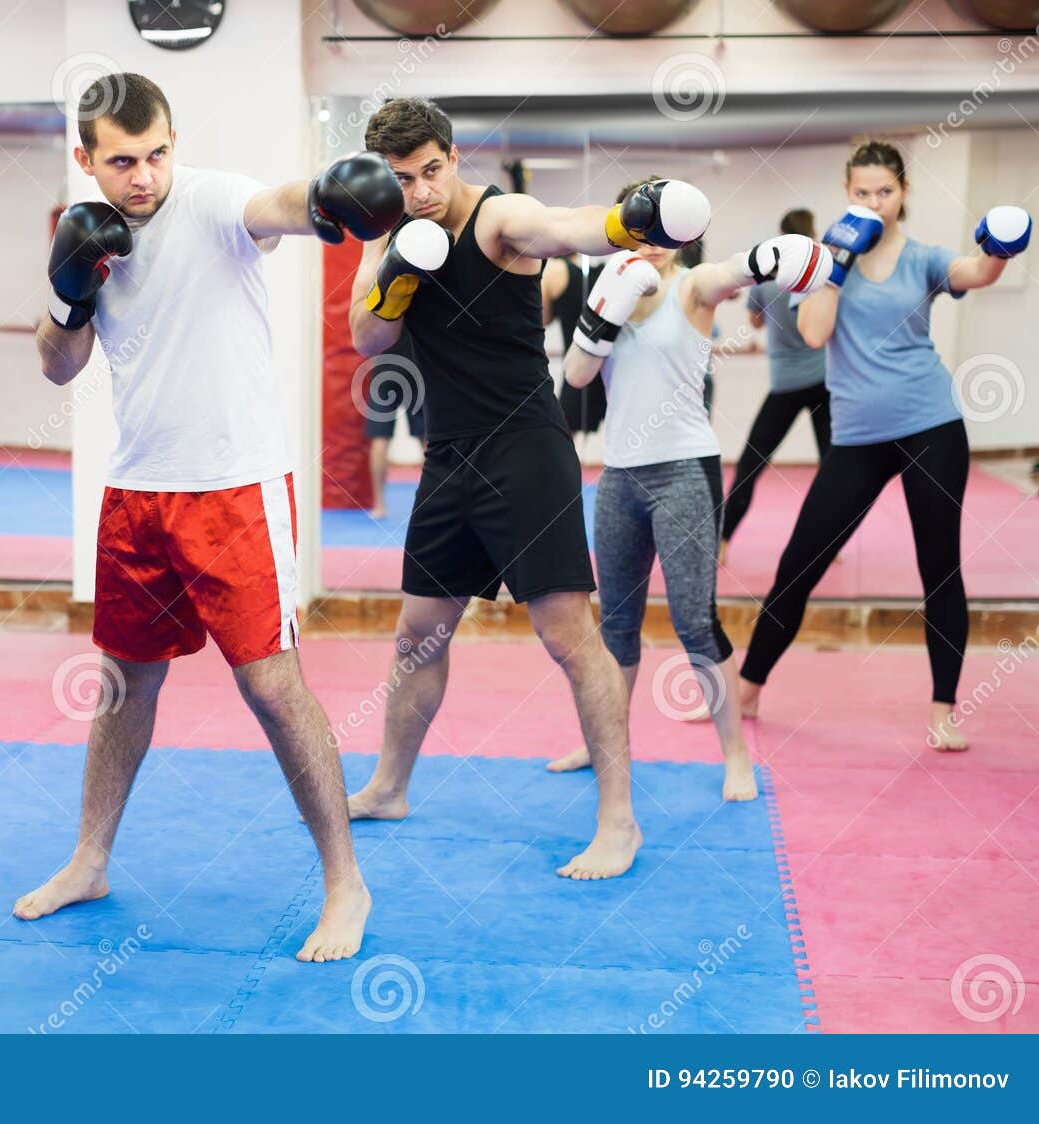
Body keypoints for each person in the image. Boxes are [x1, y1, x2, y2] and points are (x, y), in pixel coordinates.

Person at [14, 73, 402, 961]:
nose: (143, 175)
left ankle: (347, 882)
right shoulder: (92, 238)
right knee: (123, 683)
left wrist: (326, 198)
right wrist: (72, 290)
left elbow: (275, 207)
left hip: (233, 488)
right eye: (121, 161)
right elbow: (58, 367)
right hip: (138, 489)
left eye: (156, 154)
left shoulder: (211, 199)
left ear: (172, 144)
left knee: (272, 687)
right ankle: (90, 859)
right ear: (86, 160)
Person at [343, 98, 710, 879]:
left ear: (453, 155)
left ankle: (619, 821)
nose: (420, 193)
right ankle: (388, 785)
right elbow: (365, 336)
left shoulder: (496, 217)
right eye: (403, 180)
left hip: (525, 450)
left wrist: (626, 223)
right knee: (417, 634)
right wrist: (397, 276)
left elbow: (562, 226)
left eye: (432, 172)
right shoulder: (383, 233)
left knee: (568, 637)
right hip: (448, 457)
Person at [738, 140, 1031, 751]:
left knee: (939, 567)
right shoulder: (823, 261)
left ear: (903, 194)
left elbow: (973, 273)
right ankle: (747, 687)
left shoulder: (922, 257)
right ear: (847, 194)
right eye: (863, 192)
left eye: (886, 192)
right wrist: (839, 259)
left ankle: (943, 712)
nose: (875, 201)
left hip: (930, 424)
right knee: (800, 563)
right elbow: (815, 333)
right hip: (857, 437)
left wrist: (998, 248)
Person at [548, 183, 832, 802]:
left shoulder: (692, 284)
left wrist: (768, 259)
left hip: (683, 471)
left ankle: (736, 757)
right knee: (615, 627)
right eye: (635, 231)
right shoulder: (611, 285)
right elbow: (573, 377)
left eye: (658, 232)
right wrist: (602, 314)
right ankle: (603, 744)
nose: (646, 245)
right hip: (620, 476)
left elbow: (729, 275)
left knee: (694, 623)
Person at [720, 208, 832, 559]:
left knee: (752, 462)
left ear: (784, 236)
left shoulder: (769, 278)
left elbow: (755, 322)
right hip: (824, 380)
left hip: (785, 383)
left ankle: (722, 542)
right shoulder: (823, 275)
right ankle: (829, 543)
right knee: (832, 467)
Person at [544, 254, 608, 440]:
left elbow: (543, 317)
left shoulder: (554, 270)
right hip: (605, 369)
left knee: (562, 439)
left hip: (579, 367)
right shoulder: (615, 270)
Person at [362, 333, 426, 520]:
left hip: (386, 364)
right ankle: (433, 499)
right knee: (427, 437)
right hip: (414, 362)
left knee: (380, 438)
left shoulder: (382, 303)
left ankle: (379, 505)